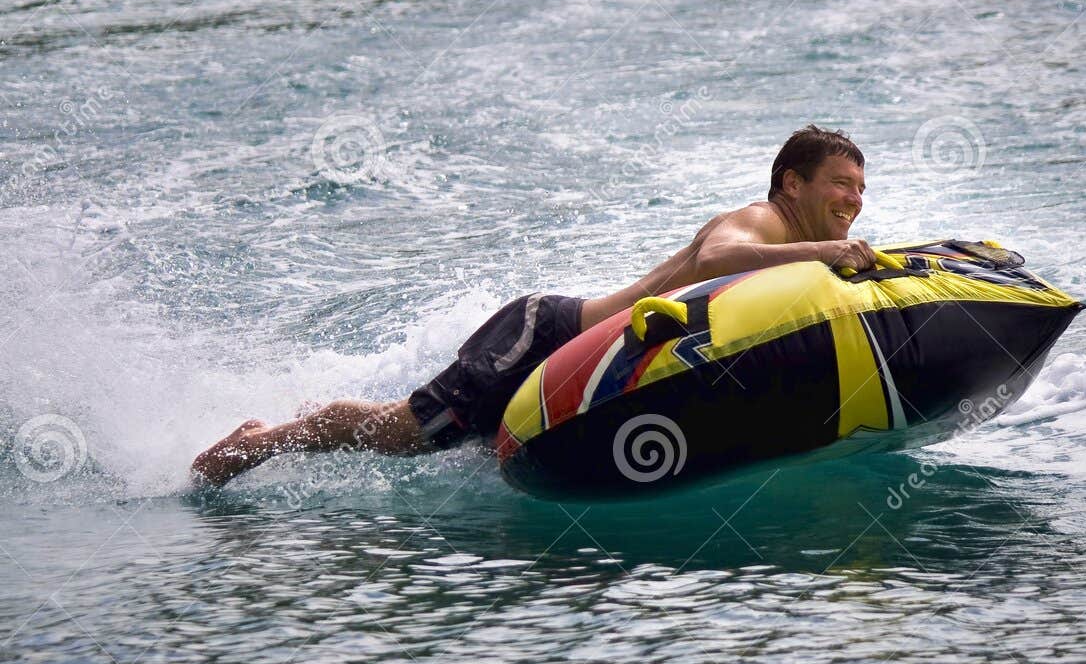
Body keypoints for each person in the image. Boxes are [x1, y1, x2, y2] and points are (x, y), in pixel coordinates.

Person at [190, 125, 873, 487]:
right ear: (792, 181)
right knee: (406, 437)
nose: (854, 200)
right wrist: (824, 255)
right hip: (542, 335)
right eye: (842, 184)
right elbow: (717, 259)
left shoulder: (793, 243)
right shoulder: (761, 223)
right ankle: (258, 443)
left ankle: (315, 417)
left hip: (577, 360)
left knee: (443, 443)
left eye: (861, 189)